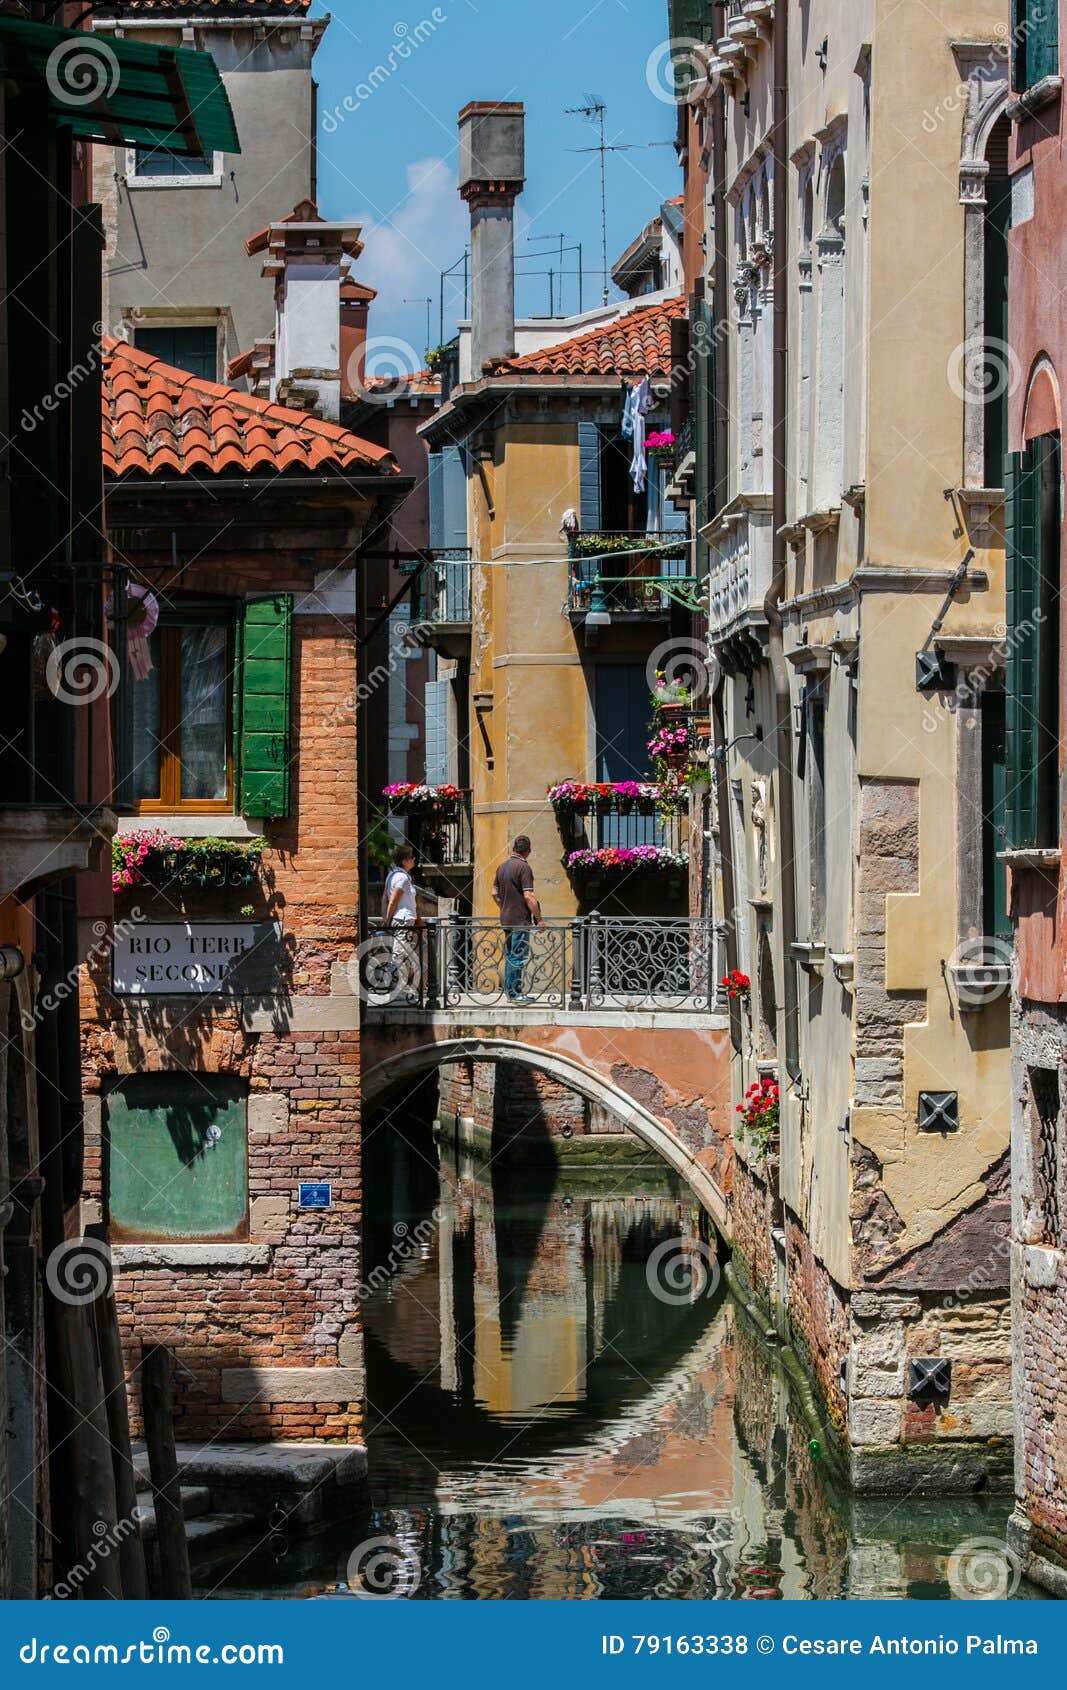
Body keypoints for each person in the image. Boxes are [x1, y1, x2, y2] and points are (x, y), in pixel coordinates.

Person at [492, 835, 543, 1002]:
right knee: (518, 956)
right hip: (519, 919)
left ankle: (510, 992)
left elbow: (494, 893)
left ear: (514, 848)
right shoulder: (523, 867)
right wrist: (539, 919)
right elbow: (529, 896)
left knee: (510, 955)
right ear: (527, 851)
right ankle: (515, 994)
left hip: (505, 919)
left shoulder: (501, 867)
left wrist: (504, 907)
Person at [381, 845, 421, 1004]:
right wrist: (387, 920)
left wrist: (386, 918)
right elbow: (393, 900)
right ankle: (392, 986)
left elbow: (384, 898)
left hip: (403, 919)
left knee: (405, 954)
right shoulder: (402, 878)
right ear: (405, 861)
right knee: (400, 954)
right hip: (403, 919)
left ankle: (402, 988)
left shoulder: (392, 875)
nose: (414, 860)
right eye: (412, 857)